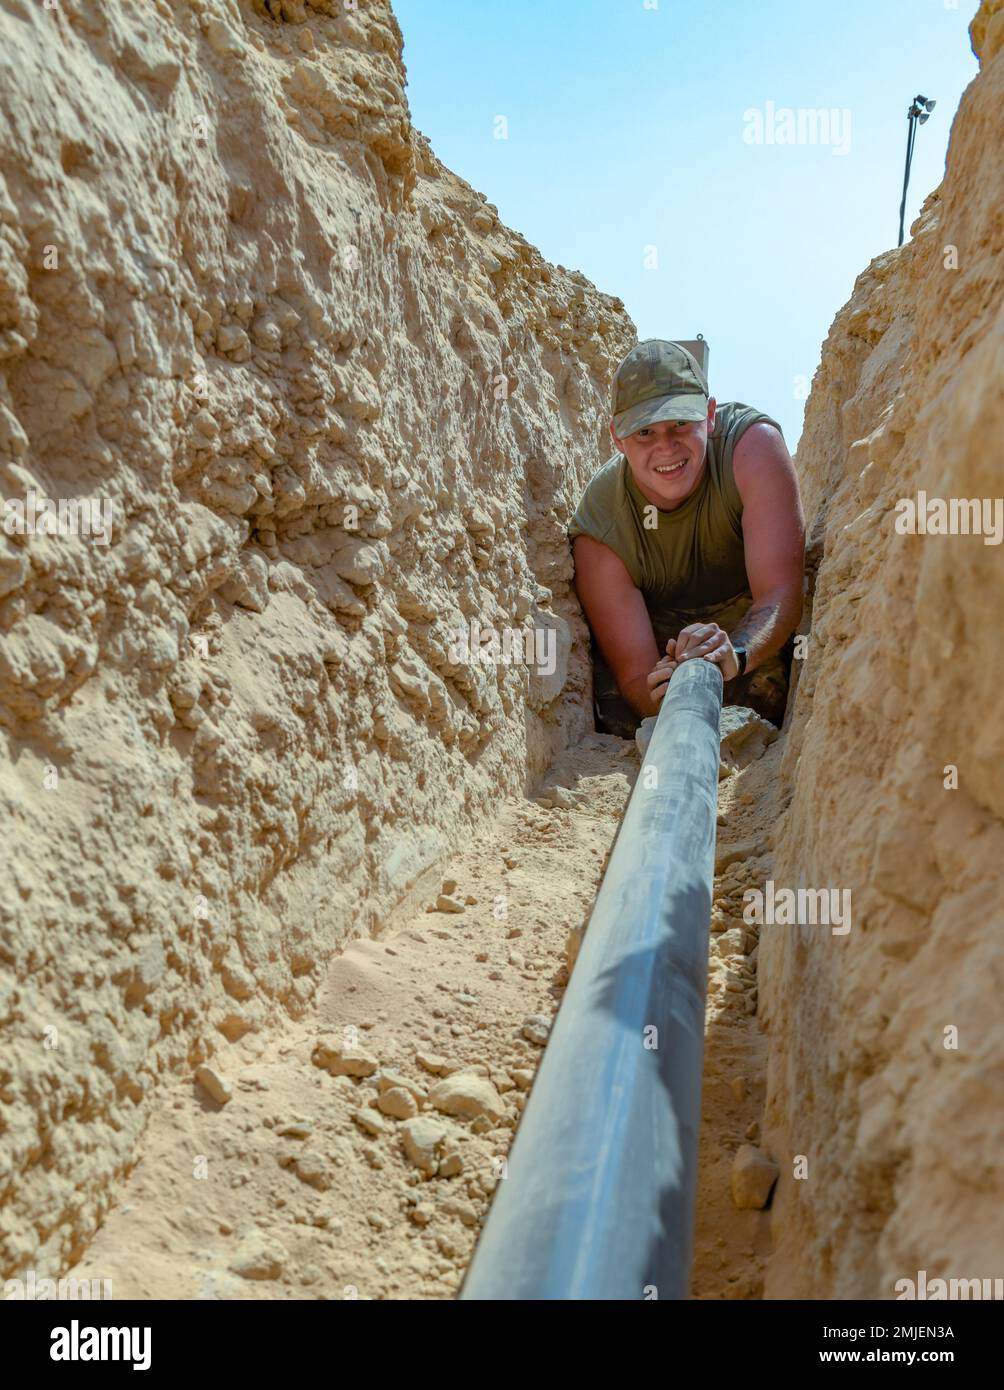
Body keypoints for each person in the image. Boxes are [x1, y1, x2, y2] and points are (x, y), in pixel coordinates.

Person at [569, 339, 805, 735]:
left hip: (745, 631)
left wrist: (737, 652)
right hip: (659, 646)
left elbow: (782, 593)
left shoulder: (750, 449)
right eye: (644, 432)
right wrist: (665, 690)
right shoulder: (602, 525)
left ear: (710, 415)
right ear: (617, 438)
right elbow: (634, 676)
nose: (666, 447)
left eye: (681, 423)